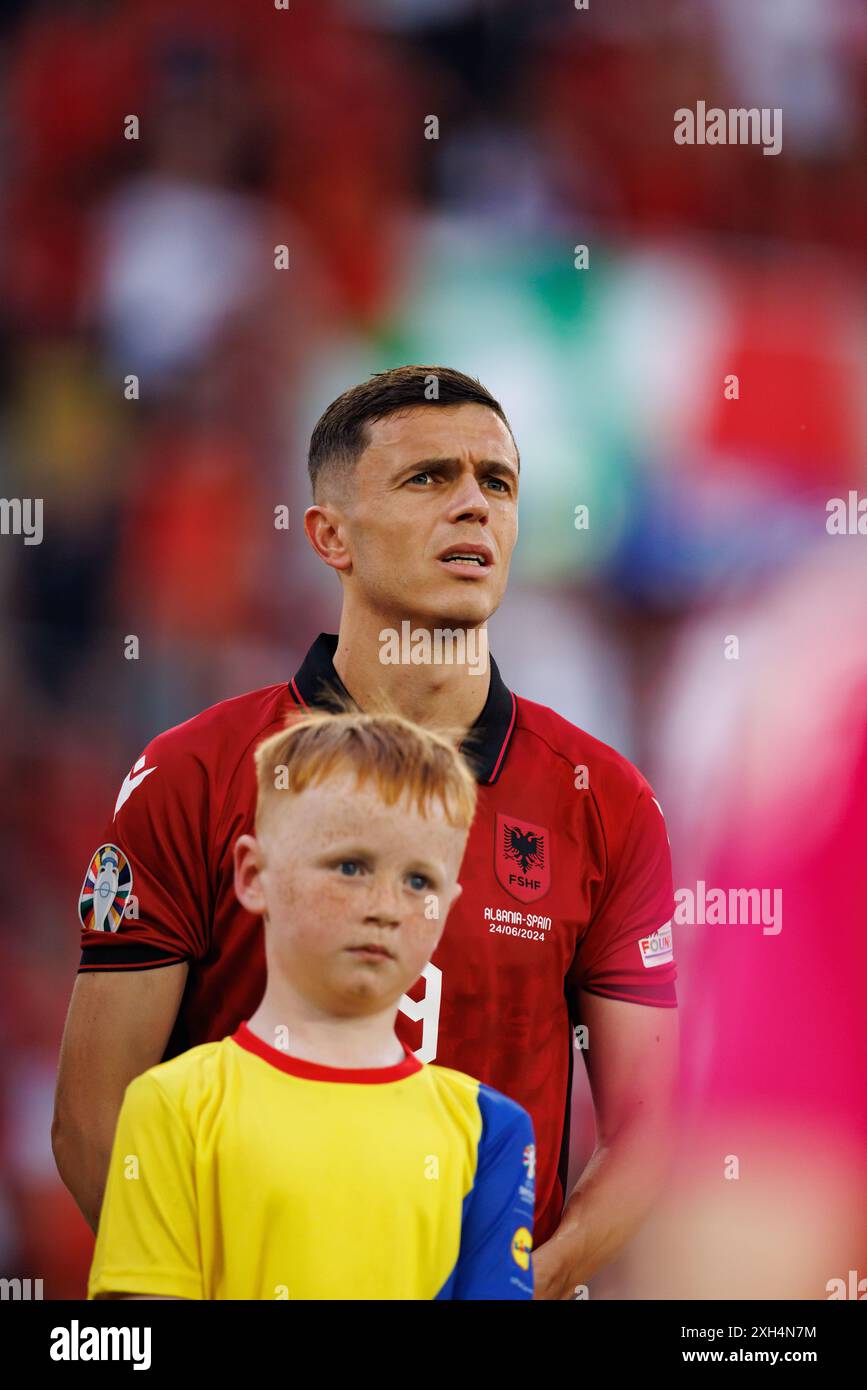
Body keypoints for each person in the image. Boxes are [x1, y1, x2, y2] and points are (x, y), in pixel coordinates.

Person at [55, 365, 678, 1299]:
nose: (473, 504)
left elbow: (652, 1127)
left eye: (496, 482)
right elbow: (93, 1118)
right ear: (328, 535)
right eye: (428, 478)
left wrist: (521, 1288)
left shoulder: (606, 798)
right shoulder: (194, 771)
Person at [89, 709, 535, 1300]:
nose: (386, 905)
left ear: (449, 904)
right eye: (350, 867)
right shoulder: (172, 1106)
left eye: (419, 882)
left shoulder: (490, 1132)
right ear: (253, 875)